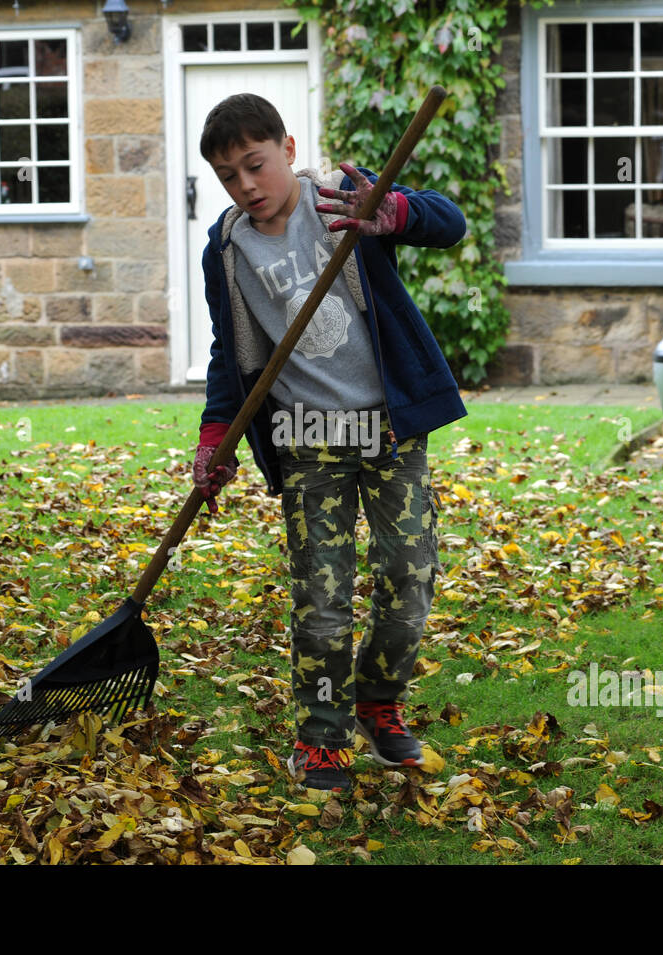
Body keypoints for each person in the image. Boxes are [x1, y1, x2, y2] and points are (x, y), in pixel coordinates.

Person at [190, 92, 467, 793]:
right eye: (228, 175)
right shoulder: (226, 248)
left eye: (255, 164)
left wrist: (393, 212)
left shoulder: (346, 201)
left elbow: (449, 221)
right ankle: (322, 739)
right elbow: (232, 357)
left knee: (410, 578)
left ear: (287, 149)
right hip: (306, 439)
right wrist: (214, 440)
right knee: (323, 597)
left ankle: (379, 702)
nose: (246, 185)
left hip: (387, 429)